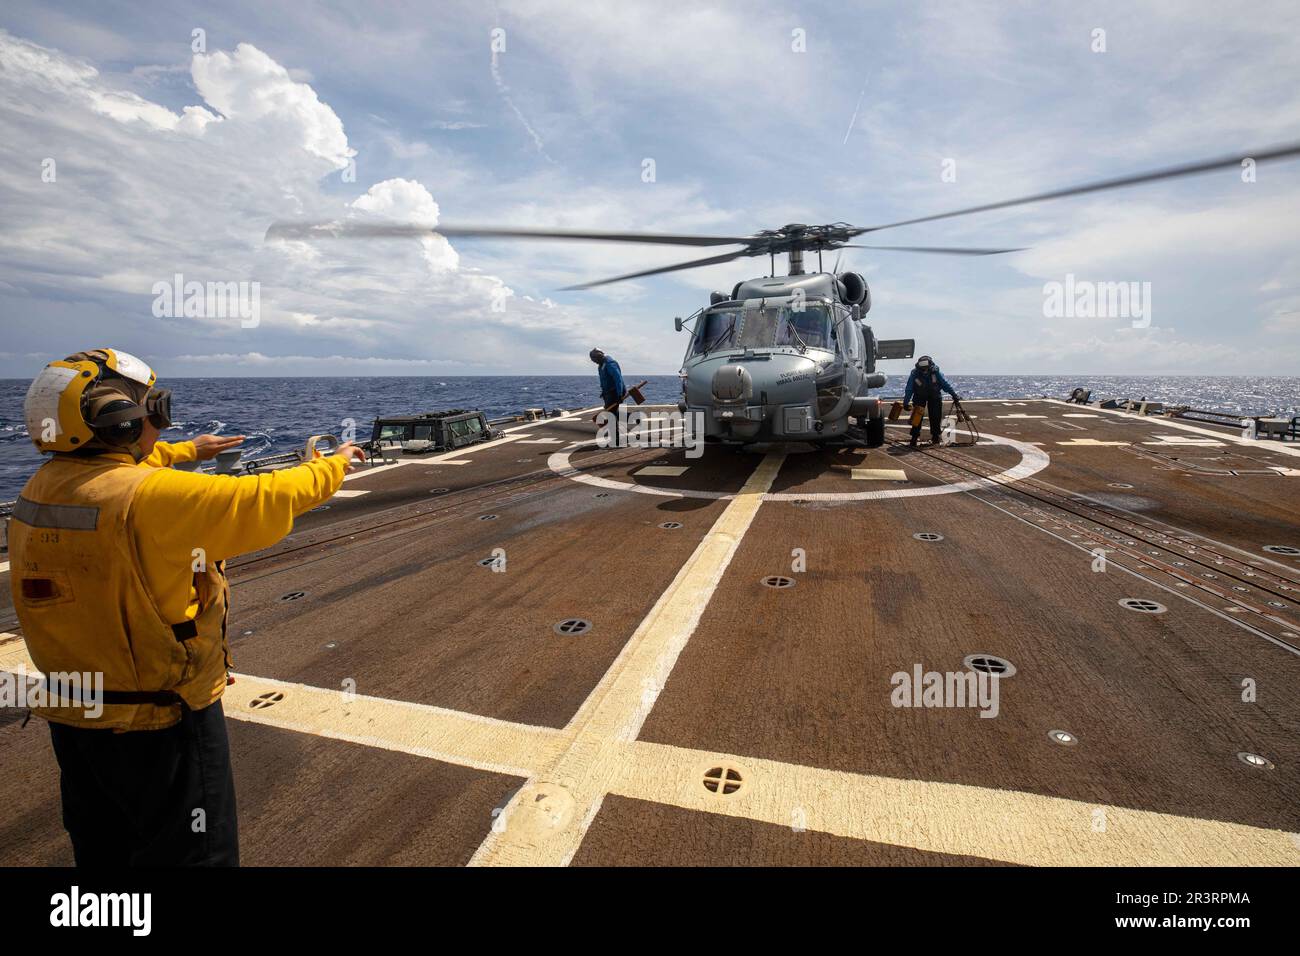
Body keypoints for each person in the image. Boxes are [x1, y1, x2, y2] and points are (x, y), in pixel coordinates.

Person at [9, 349, 366, 866]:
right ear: (124, 420)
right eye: (152, 410)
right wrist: (330, 465)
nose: (157, 420)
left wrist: (186, 451)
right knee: (195, 854)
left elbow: (121, 470)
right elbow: (268, 497)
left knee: (105, 852)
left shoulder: (40, 490)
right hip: (160, 718)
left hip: (76, 714)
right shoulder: (152, 500)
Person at [903, 354, 961, 447]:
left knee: (935, 416)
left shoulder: (936, 372)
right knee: (917, 417)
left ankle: (935, 436)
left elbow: (945, 384)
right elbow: (909, 388)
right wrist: (905, 402)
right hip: (919, 396)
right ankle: (914, 437)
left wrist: (954, 395)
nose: (924, 370)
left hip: (934, 396)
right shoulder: (915, 373)